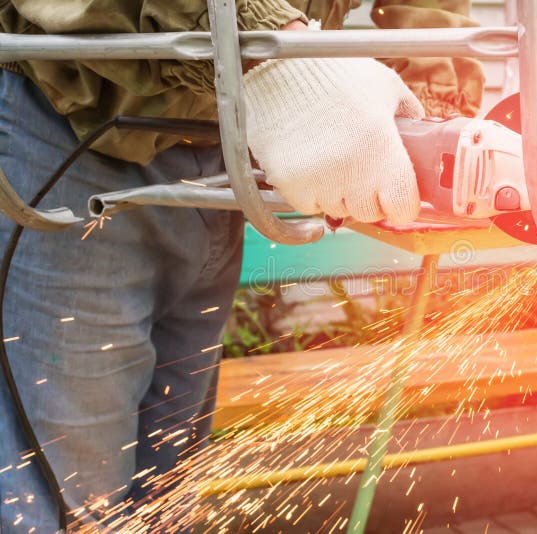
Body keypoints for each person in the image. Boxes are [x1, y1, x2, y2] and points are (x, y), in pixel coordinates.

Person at [0, 0, 484, 530]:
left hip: (221, 140)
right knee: (68, 503)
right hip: (71, 120)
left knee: (168, 493)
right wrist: (271, 49)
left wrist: (439, 115)